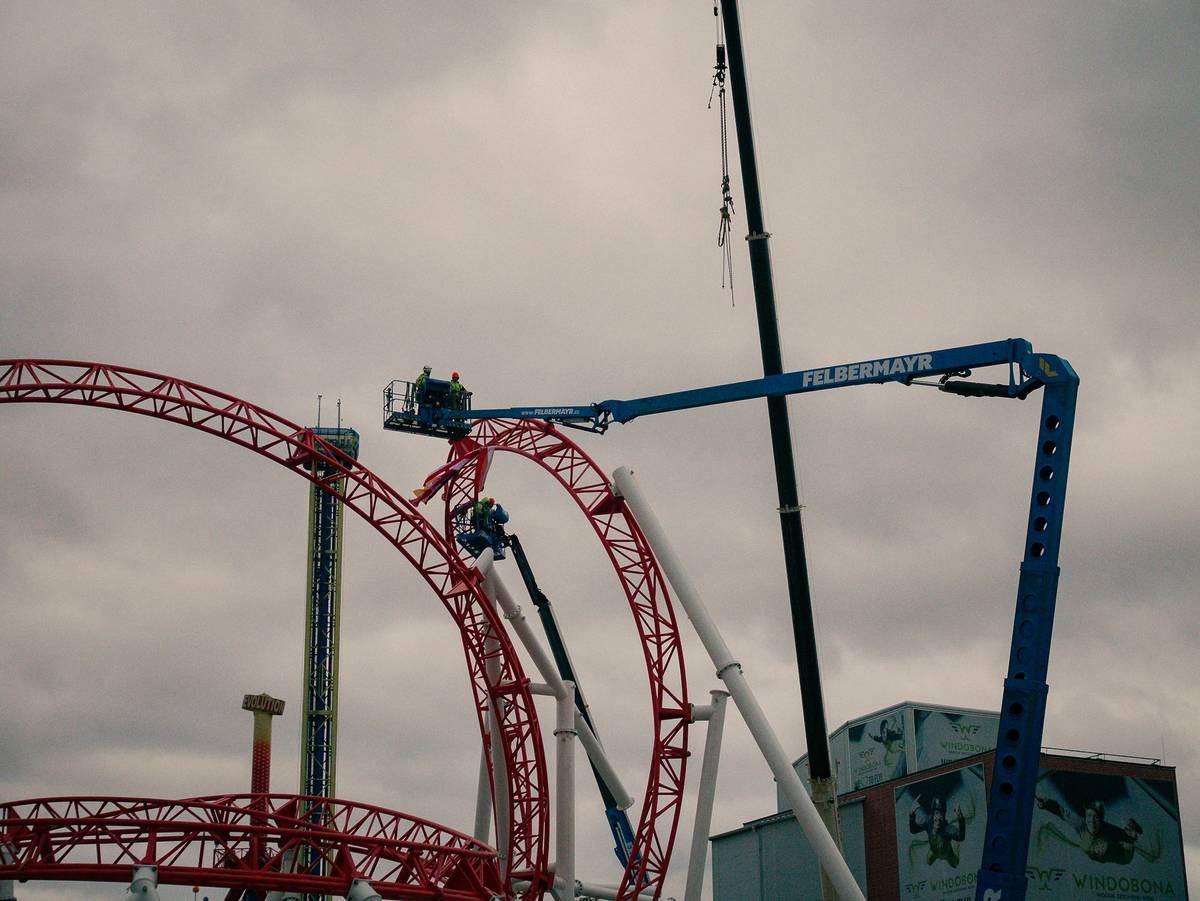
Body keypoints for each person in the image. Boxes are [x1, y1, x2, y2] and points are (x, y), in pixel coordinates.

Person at [1035, 796, 1148, 865]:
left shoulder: (1110, 830)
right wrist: (1046, 804)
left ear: (1101, 820)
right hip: (1099, 855)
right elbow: (1062, 812)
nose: (1092, 821)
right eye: (1089, 816)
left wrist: (1132, 835)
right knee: (1089, 845)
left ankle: (1132, 827)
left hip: (1122, 856)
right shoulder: (1081, 824)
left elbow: (1126, 838)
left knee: (1125, 843)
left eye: (1096, 817)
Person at [909, 795, 967, 868]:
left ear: (944, 816)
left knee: (955, 864)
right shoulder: (928, 823)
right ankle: (935, 846)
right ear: (932, 814)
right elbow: (914, 830)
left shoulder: (948, 829)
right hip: (934, 851)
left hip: (947, 854)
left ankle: (955, 846)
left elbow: (961, 837)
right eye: (936, 813)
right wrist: (911, 815)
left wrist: (960, 817)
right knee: (928, 861)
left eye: (941, 814)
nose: (938, 818)